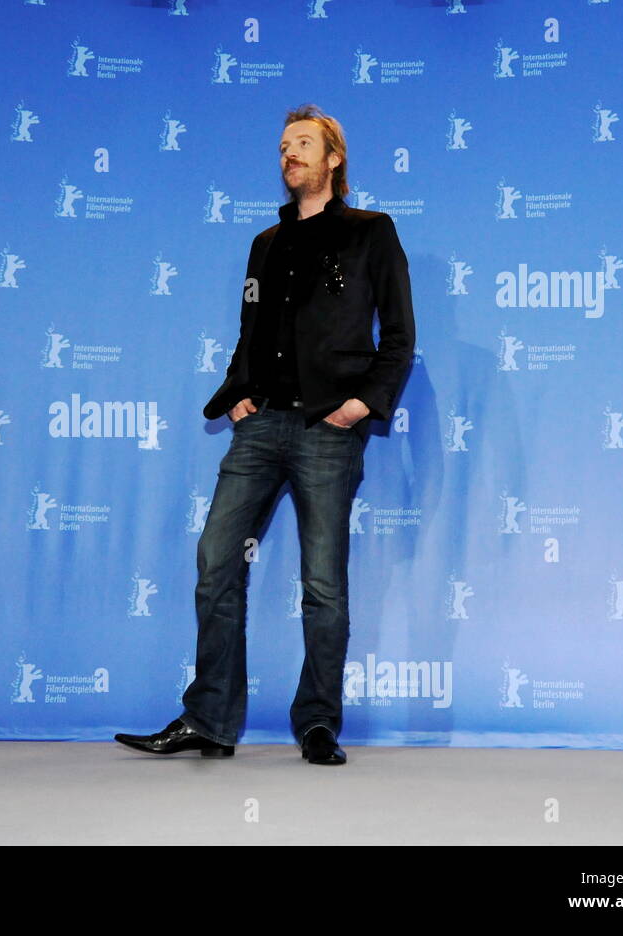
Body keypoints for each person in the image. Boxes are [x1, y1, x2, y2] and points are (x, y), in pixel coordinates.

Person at [114, 104, 415, 765]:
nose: (289, 154)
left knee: (323, 585)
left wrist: (361, 405)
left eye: (303, 143)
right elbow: (249, 337)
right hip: (260, 427)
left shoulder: (371, 233)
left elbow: (397, 337)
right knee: (215, 560)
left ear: (333, 159)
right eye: (282, 146)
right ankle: (210, 721)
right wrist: (237, 397)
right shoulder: (265, 245)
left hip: (328, 430)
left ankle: (316, 725)